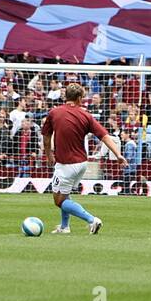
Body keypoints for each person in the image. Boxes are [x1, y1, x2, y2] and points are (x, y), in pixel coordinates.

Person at [41, 83, 123, 234]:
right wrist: (118, 154)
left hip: (65, 164)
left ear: (66, 96)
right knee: (65, 194)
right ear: (79, 98)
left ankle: (92, 220)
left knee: (59, 201)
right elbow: (105, 136)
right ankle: (64, 227)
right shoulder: (86, 115)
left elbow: (46, 137)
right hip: (82, 163)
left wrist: (48, 155)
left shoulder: (54, 113)